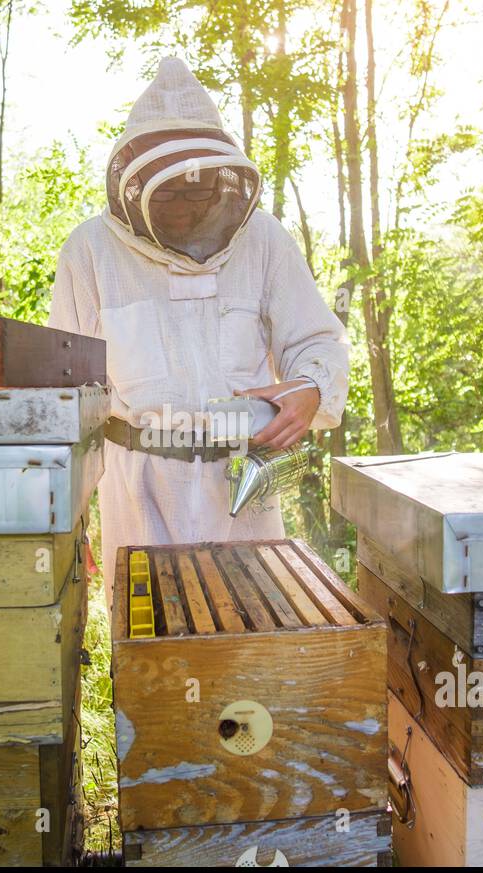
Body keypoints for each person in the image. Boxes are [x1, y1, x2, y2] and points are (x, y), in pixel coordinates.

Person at [49, 57, 350, 602]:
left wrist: (310, 390)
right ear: (136, 182)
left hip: (244, 487)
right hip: (139, 493)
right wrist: (69, 522)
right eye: (169, 193)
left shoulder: (263, 241)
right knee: (152, 655)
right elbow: (69, 398)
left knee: (248, 647)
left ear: (222, 178)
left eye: (198, 190)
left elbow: (317, 342)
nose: (185, 208)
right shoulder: (90, 252)